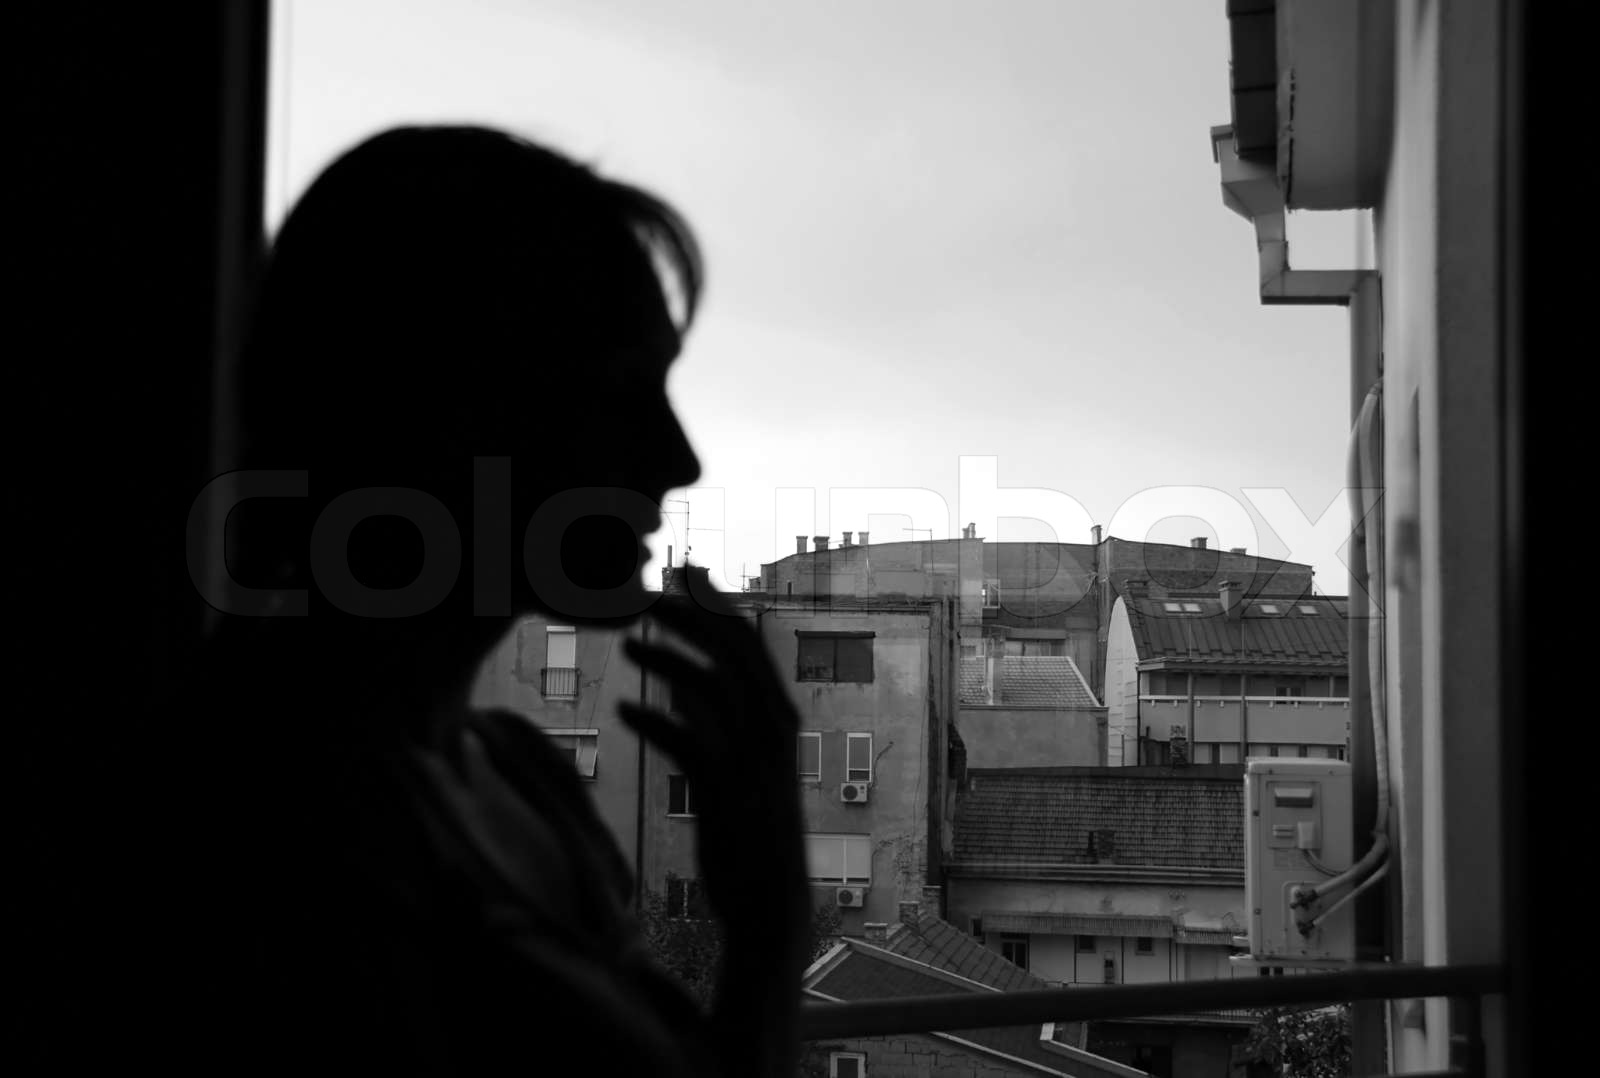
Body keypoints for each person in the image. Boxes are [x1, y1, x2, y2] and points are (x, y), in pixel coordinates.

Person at [188, 125, 810, 1076]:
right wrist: (770, 917)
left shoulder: (521, 781)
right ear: (438, 405)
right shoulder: (271, 836)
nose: (678, 458)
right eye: (616, 393)